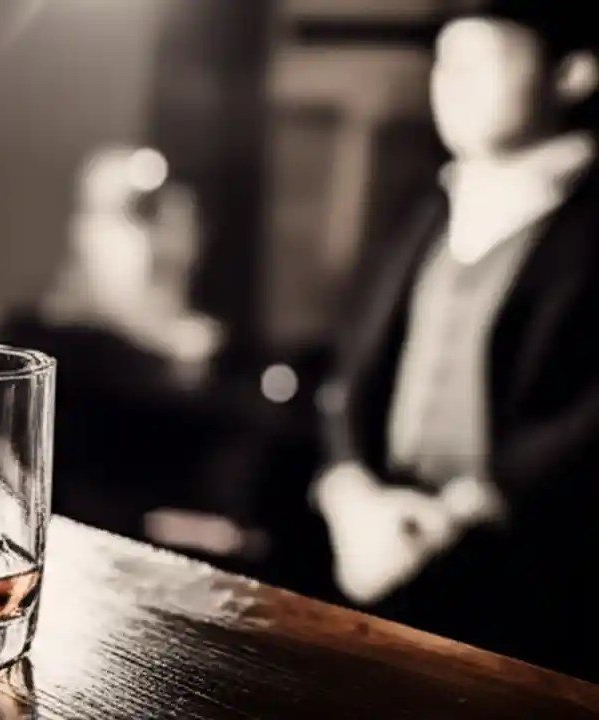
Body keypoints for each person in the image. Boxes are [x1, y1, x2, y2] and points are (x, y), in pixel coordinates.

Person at [313, 1, 599, 679]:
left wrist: (464, 511)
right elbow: (353, 362)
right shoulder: (429, 204)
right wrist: (348, 487)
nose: (453, 80)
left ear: (573, 74)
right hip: (386, 544)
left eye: (486, 59)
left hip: (537, 577)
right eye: (446, 60)